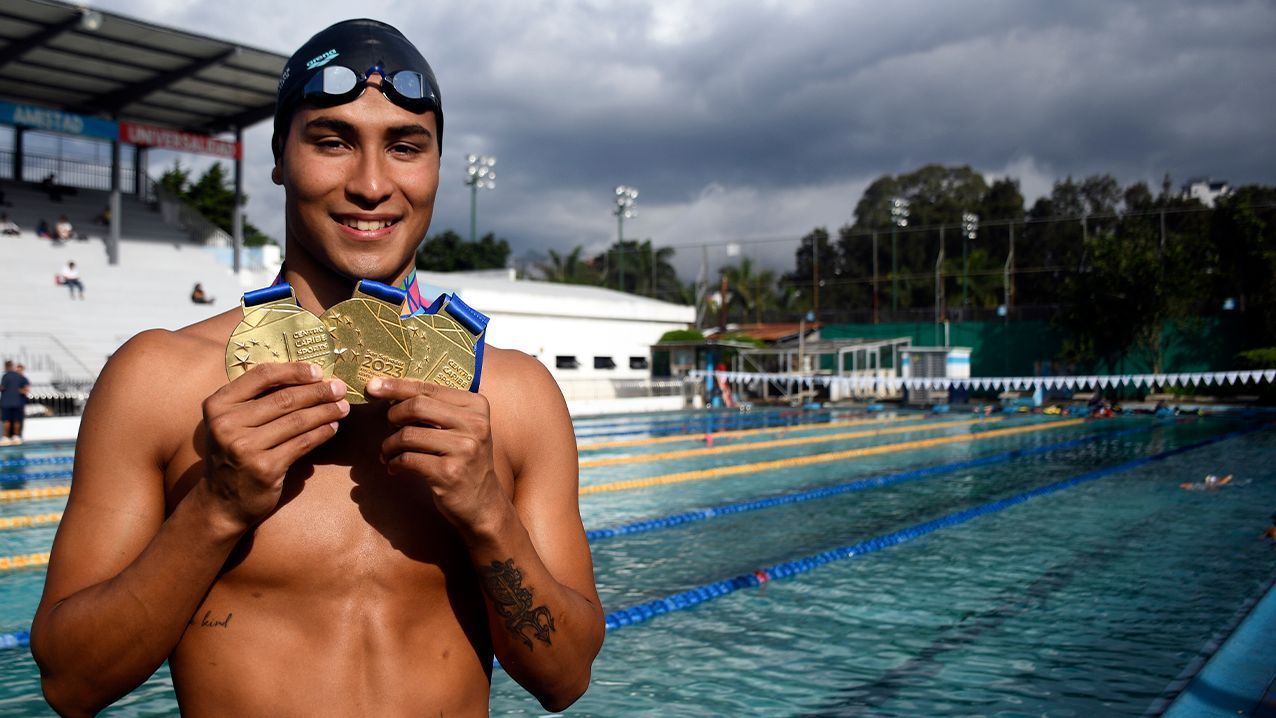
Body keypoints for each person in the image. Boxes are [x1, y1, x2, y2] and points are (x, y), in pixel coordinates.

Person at [31, 18, 603, 717]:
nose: (370, 183)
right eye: (332, 141)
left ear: (437, 167)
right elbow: (69, 684)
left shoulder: (515, 398)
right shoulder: (158, 381)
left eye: (404, 146)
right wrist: (215, 509)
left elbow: (565, 678)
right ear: (279, 157)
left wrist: (488, 516)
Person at [0, 360, 30, 446]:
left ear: (6, 367)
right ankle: (16, 436)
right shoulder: (19, 376)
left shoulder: (5, 376)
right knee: (17, 420)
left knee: (7, 420)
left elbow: (2, 387)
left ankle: (6, 437)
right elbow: (25, 389)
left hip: (6, 402)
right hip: (17, 402)